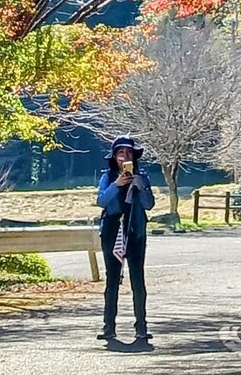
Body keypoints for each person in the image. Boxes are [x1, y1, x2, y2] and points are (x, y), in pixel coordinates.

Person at [96, 136, 155, 346]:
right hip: (112, 233)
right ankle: (108, 327)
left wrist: (141, 187)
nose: (125, 157)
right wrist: (116, 184)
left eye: (128, 153)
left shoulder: (142, 177)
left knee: (138, 280)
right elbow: (101, 201)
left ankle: (141, 327)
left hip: (136, 232)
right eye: (121, 153)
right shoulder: (107, 177)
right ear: (114, 157)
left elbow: (149, 205)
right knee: (112, 280)